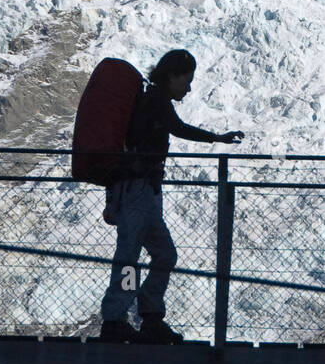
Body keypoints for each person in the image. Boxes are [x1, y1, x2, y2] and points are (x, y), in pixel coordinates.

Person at [99, 49, 243, 344]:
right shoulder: (155, 100)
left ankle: (150, 315)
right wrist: (216, 138)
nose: (188, 88)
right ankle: (115, 318)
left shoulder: (153, 100)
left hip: (145, 192)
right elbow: (177, 129)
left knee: (162, 254)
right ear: (172, 76)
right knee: (130, 256)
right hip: (137, 191)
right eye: (186, 80)